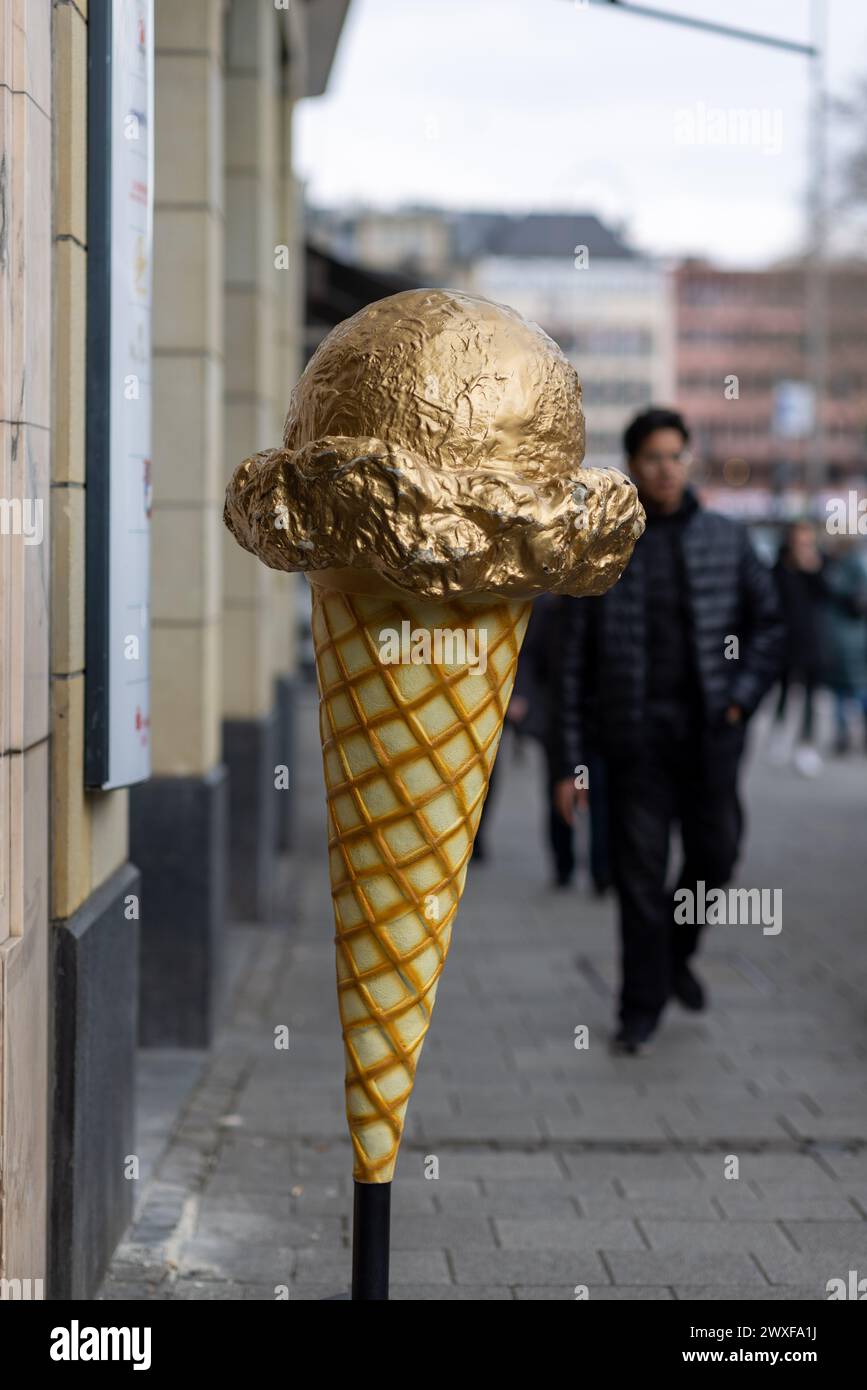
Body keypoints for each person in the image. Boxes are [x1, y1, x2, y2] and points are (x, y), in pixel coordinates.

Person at [550, 407, 784, 1055]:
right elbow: (570, 669)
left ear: (688, 461)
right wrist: (568, 765)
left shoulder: (725, 540)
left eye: (676, 455)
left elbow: (768, 626)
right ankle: (639, 1006)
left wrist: (738, 700)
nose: (666, 468)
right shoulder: (603, 550)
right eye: (653, 457)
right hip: (634, 744)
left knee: (716, 855)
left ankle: (674, 955)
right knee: (638, 876)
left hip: (711, 736)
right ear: (631, 464)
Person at [510, 595, 610, 890]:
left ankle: (601, 869)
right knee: (563, 787)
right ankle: (564, 862)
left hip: (594, 716)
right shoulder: (550, 604)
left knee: (597, 790)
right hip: (560, 715)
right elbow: (529, 654)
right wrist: (524, 695)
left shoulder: (600, 600)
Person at [770, 521, 828, 777]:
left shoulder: (818, 565)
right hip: (785, 640)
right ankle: (779, 734)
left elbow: (827, 595)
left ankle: (806, 743)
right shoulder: (779, 567)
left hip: (811, 639)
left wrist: (813, 570)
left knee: (809, 696)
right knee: (784, 689)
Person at [823, 539, 867, 754]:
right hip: (851, 644)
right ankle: (846, 735)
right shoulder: (853, 567)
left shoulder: (843, 570)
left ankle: (843, 736)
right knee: (854, 691)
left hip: (848, 644)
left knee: (847, 692)